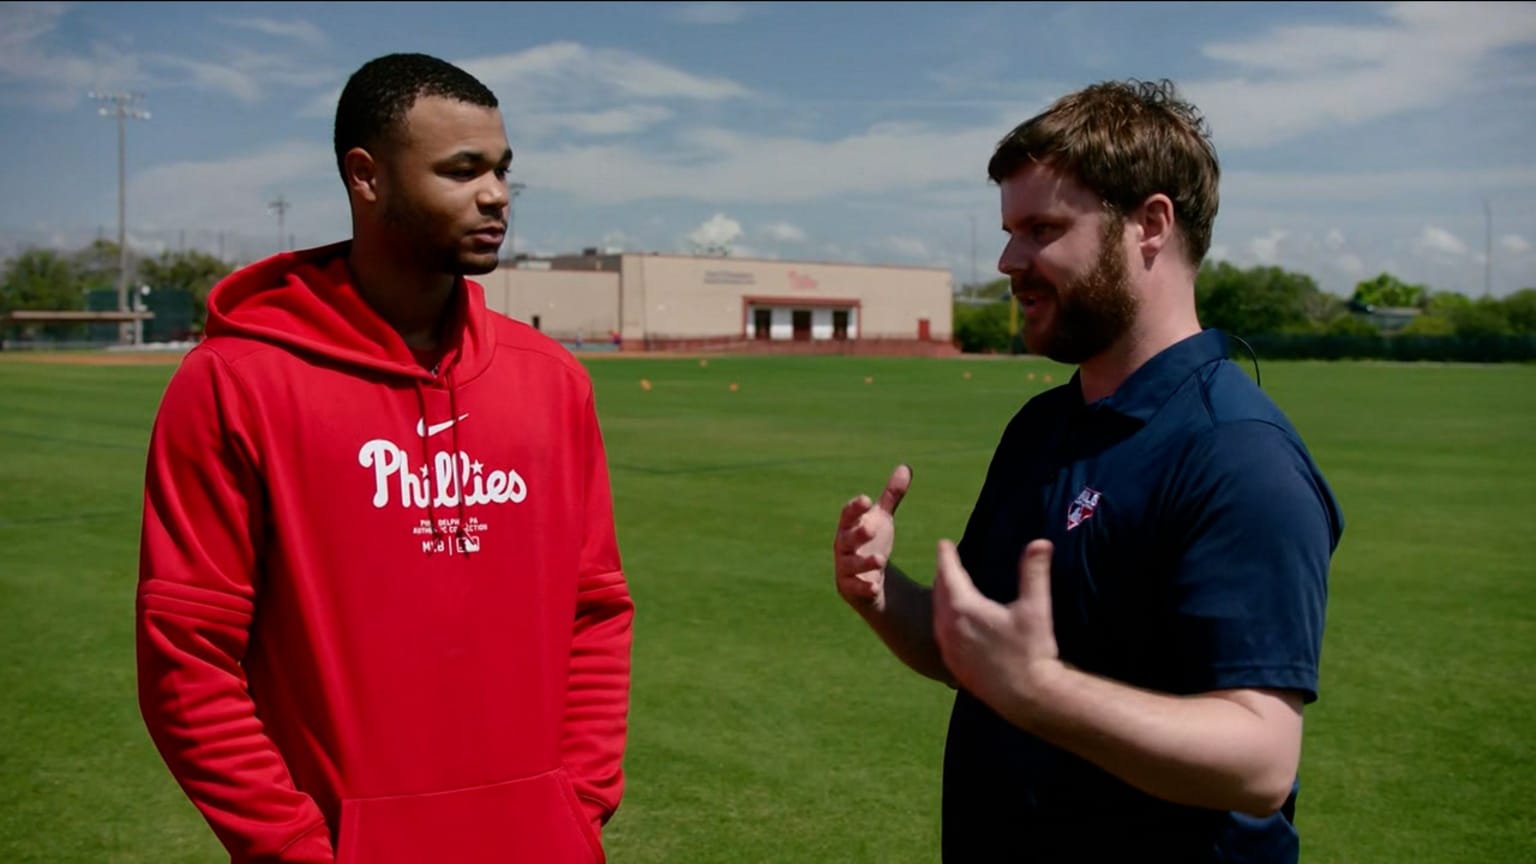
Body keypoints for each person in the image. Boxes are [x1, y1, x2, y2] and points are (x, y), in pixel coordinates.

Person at [136, 53, 634, 863]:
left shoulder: (554, 383)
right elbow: (185, 654)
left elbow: (597, 610)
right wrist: (298, 849)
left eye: (504, 171)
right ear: (365, 177)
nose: (497, 195)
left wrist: (573, 806)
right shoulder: (233, 383)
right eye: (461, 170)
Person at [832, 79, 1343, 862]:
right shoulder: (1044, 428)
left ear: (1150, 224)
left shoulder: (1236, 453)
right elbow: (973, 655)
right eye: (1010, 231)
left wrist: (1043, 693)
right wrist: (881, 593)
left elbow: (1260, 759)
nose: (1008, 260)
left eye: (1042, 228)